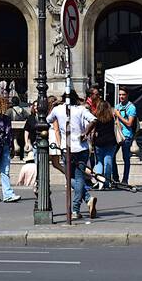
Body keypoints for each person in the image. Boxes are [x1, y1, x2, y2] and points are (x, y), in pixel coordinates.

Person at [48, 92, 95, 220]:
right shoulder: (80, 109)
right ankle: (86, 200)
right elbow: (94, 120)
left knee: (70, 177)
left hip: (66, 147)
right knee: (78, 177)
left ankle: (76, 209)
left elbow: (47, 120)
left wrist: (56, 107)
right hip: (81, 147)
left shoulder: (58, 109)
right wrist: (85, 133)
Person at [86, 100, 118, 219]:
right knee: (108, 161)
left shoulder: (96, 118)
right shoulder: (112, 117)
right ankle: (107, 182)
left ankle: (99, 181)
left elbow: (92, 130)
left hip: (99, 143)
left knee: (99, 162)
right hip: (110, 142)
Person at [113, 88, 137, 184]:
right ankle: (115, 178)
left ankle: (125, 180)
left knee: (126, 158)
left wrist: (118, 115)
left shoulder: (131, 107)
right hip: (118, 135)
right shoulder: (117, 106)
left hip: (127, 136)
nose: (121, 97)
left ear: (127, 95)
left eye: (123, 95)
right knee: (112, 156)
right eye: (120, 95)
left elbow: (129, 123)